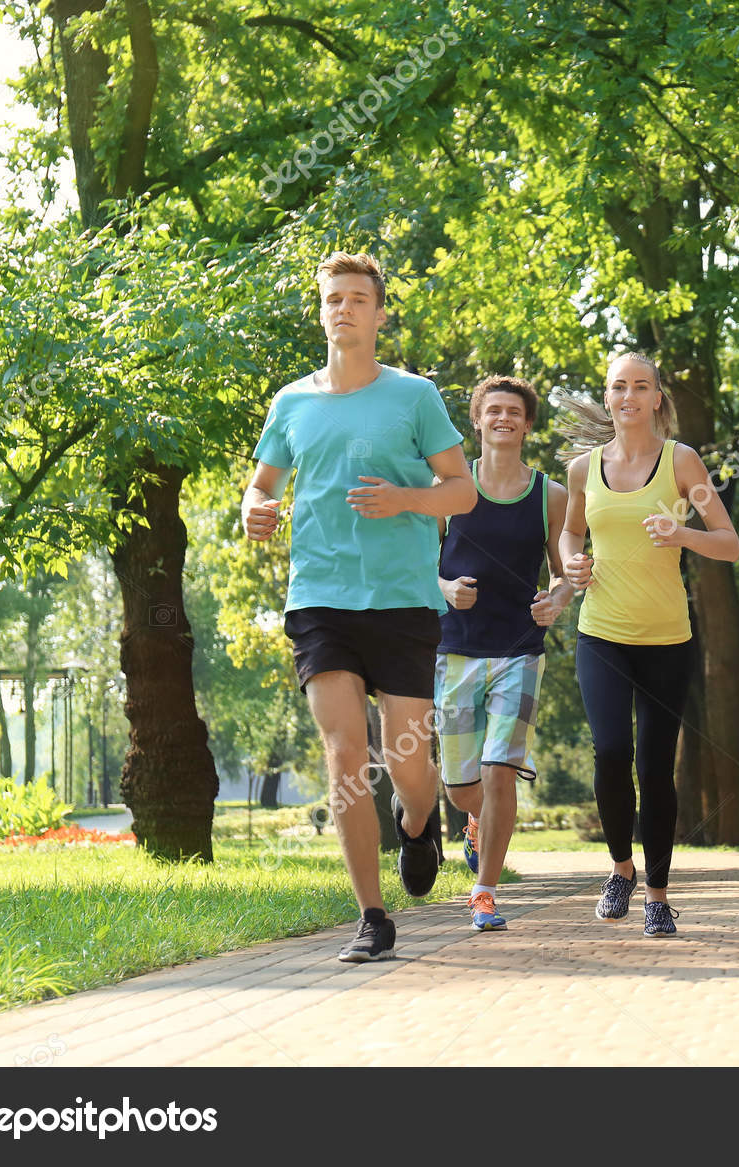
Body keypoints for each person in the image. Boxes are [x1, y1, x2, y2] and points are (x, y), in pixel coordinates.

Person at [243, 251, 475, 962]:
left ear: (378, 313)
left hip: (402, 601)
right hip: (319, 600)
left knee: (408, 760)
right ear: (321, 311)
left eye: (354, 298)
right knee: (346, 753)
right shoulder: (291, 403)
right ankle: (371, 916)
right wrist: (256, 509)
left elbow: (460, 490)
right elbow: (261, 485)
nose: (341, 308)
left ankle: (418, 820)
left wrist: (405, 499)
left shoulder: (414, 396)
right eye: (330, 298)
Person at [557, 353, 739, 937]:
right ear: (608, 398)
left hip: (667, 639)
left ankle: (659, 894)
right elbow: (570, 530)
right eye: (619, 386)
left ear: (658, 398)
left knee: (656, 767)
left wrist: (682, 532)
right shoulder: (583, 470)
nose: (630, 395)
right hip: (601, 632)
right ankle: (620, 869)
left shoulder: (681, 462)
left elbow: (729, 543)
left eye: (641, 386)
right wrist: (569, 562)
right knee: (611, 751)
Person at [436, 375, 574, 931]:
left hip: (520, 649)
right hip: (457, 650)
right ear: (477, 420)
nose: (503, 419)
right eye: (492, 410)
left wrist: (558, 599)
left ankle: (485, 892)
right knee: (461, 786)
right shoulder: (448, 486)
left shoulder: (551, 495)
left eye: (514, 412)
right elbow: (418, 561)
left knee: (499, 771)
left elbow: (567, 573)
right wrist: (442, 589)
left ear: (527, 424)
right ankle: (476, 823)